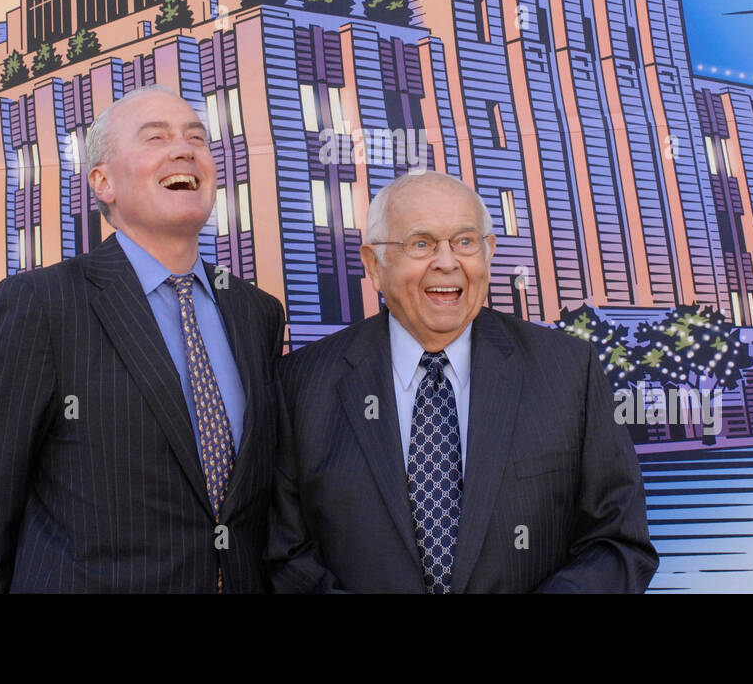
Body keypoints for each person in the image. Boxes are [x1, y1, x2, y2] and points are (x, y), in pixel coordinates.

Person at [0, 85, 285, 592]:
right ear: (102, 182)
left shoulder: (256, 313)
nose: (184, 149)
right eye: (156, 138)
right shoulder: (40, 304)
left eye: (197, 137)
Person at [268, 170, 657, 593]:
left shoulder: (567, 370)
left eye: (465, 242)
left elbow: (618, 541)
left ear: (488, 253)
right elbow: (287, 556)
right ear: (374, 265)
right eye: (422, 243)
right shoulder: (302, 384)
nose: (447, 261)